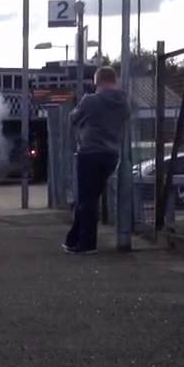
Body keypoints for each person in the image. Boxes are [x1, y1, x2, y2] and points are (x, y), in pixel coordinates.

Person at [64, 66, 130, 254]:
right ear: (114, 81)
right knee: (90, 198)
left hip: (89, 153)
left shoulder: (91, 100)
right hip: (111, 154)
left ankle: (87, 243)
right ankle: (72, 239)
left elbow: (73, 119)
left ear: (97, 81)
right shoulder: (123, 103)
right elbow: (125, 118)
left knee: (86, 199)